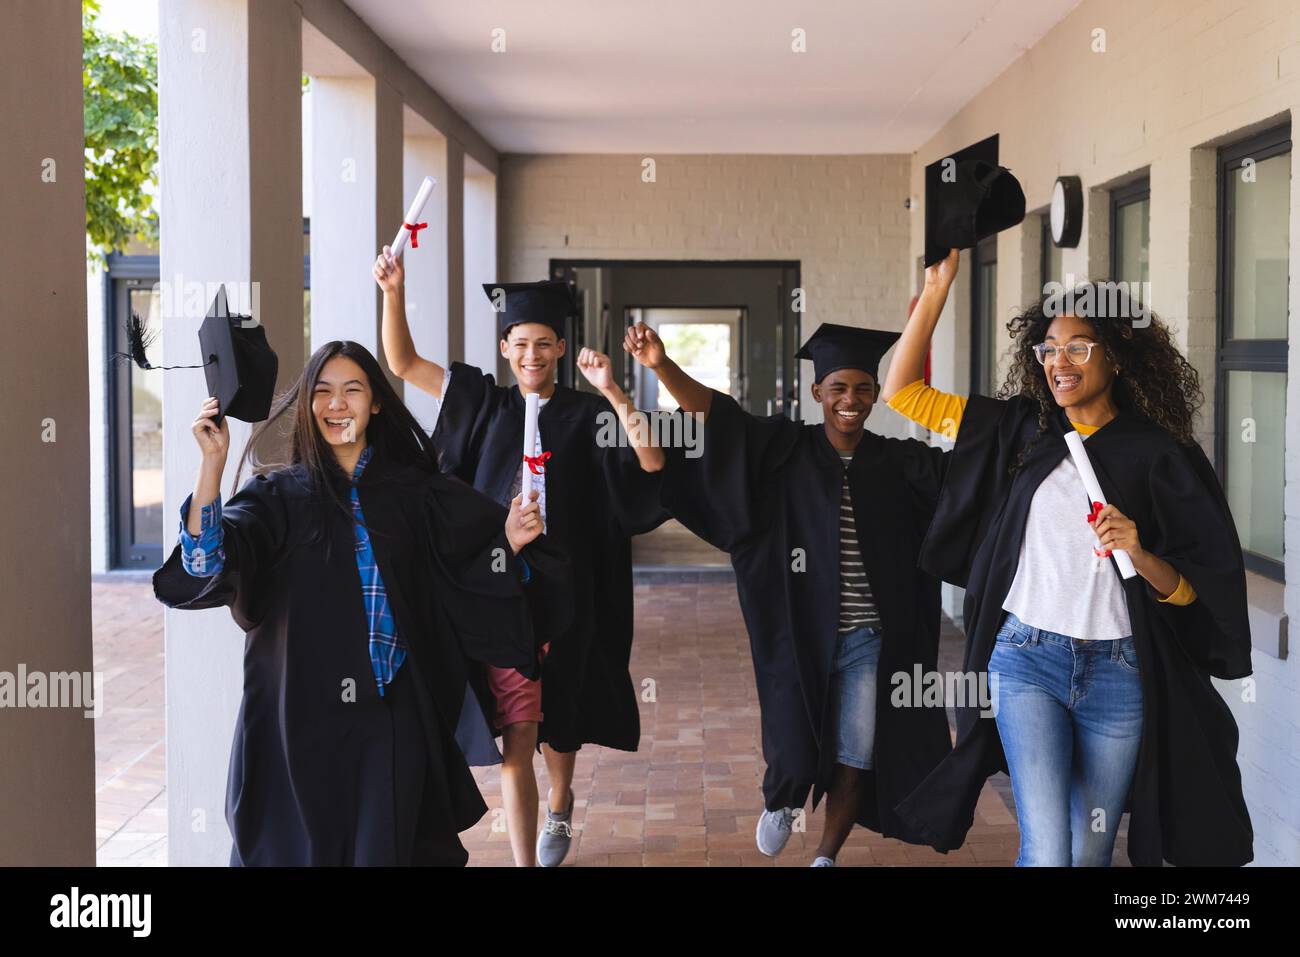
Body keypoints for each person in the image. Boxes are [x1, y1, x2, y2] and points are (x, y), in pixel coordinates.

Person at [884, 250, 1254, 866]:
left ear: (1116, 356)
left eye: (1079, 347)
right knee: (1050, 850)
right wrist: (936, 290)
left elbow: (1192, 590)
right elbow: (902, 394)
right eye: (1050, 349)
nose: (1060, 362)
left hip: (1119, 672)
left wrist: (1138, 548)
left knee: (1090, 849)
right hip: (1027, 660)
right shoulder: (1022, 430)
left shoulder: (1159, 456)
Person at [153, 340, 567, 866]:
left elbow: (468, 569)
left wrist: (507, 541)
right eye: (322, 392)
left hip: (392, 715)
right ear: (306, 406)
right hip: (297, 718)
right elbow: (204, 563)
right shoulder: (276, 498)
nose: (336, 404)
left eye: (353, 390)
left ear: (375, 403)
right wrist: (212, 465)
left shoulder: (417, 494)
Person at [376, 253, 667, 867]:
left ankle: (560, 800)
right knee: (517, 730)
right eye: (520, 343)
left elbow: (650, 462)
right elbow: (401, 363)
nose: (531, 354)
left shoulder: (587, 414)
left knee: (560, 718)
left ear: (561, 347)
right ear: (505, 347)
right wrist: (394, 291)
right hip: (498, 588)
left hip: (569, 590)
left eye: (543, 343)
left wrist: (613, 389)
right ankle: (524, 862)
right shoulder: (482, 402)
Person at [626, 319, 952, 866]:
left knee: (856, 752)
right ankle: (783, 797)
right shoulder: (785, 449)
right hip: (800, 632)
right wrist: (661, 365)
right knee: (795, 750)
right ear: (817, 392)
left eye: (864, 389)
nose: (852, 400)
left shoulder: (899, 462)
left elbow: (970, 477)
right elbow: (717, 414)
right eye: (840, 388)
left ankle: (826, 854)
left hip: (871, 638)